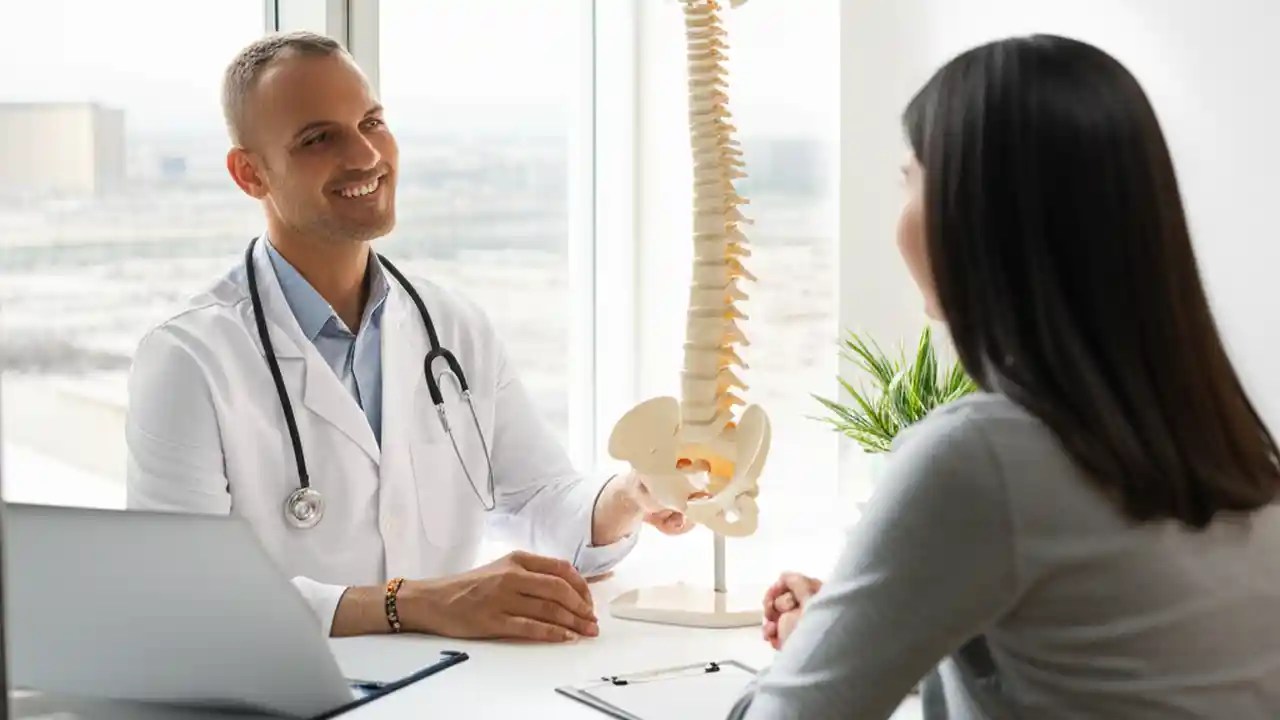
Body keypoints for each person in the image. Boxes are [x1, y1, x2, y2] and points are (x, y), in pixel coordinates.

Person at [734, 34, 1280, 719]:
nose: (898, 218)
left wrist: (813, 657)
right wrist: (863, 630)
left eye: (910, 181)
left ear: (969, 215)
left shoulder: (984, 455)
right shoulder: (1239, 456)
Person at [125, 31, 691, 642]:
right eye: (319, 139)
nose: (366, 156)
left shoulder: (453, 328)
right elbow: (179, 596)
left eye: (371, 122)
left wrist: (633, 495)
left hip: (444, 692)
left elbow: (541, 504)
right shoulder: (188, 358)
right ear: (249, 174)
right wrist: (411, 604)